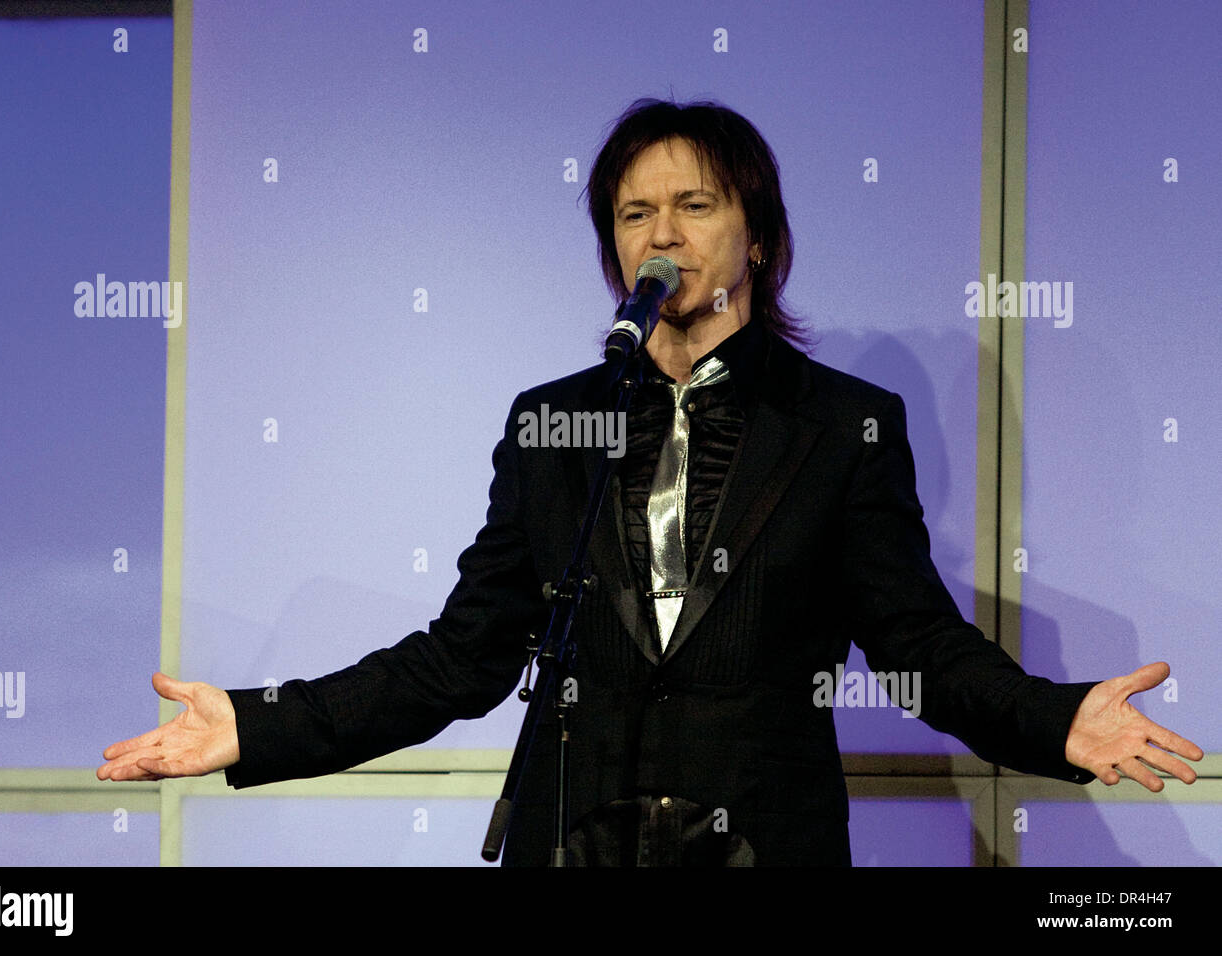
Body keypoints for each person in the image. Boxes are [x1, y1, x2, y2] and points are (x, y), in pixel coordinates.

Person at [98, 98, 1201, 866]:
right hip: (574, 836)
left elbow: (916, 645)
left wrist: (1054, 720)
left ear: (757, 237)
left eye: (694, 206)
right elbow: (463, 654)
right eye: (634, 215)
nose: (660, 234)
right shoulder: (551, 422)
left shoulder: (843, 425)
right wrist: (257, 722)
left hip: (763, 846)